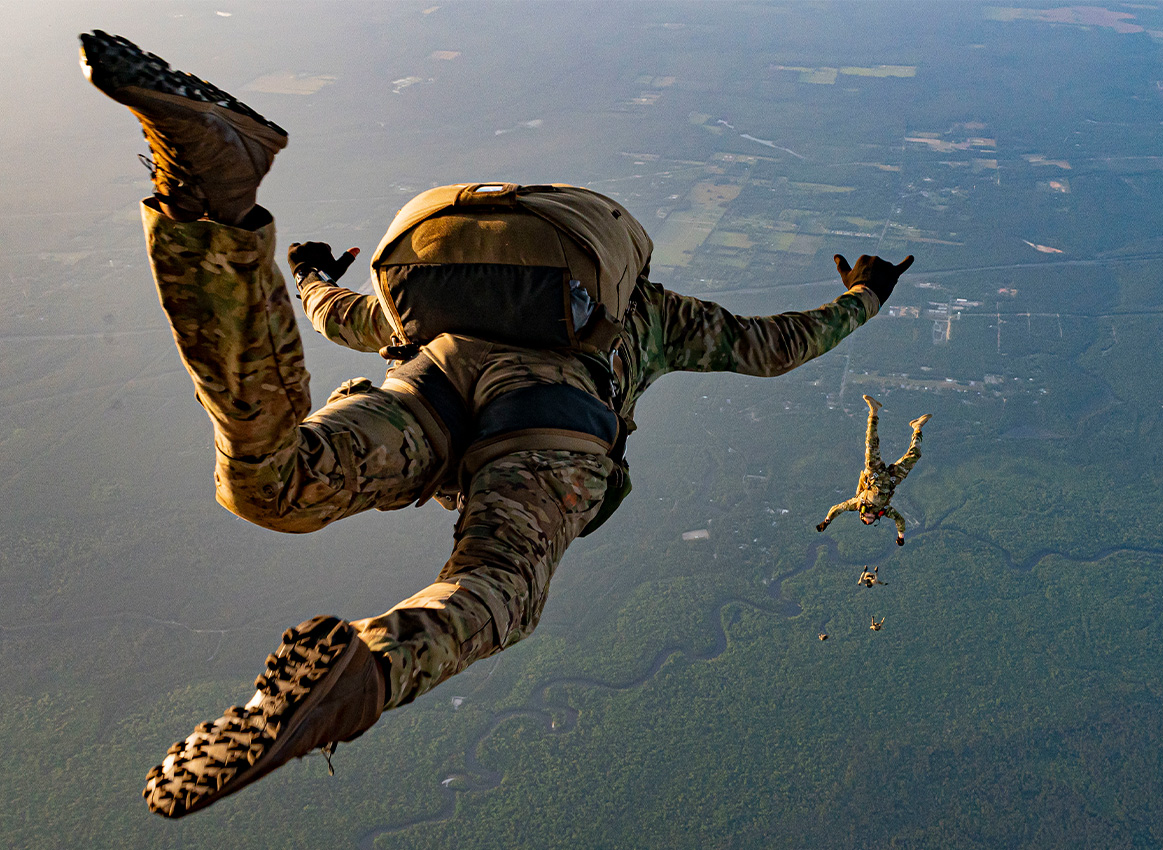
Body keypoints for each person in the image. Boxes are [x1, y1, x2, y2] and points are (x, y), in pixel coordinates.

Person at [79, 30, 914, 818]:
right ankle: (361, 678)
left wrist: (299, 274)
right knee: (495, 590)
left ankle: (211, 212)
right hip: (553, 421)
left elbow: (343, 319)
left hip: (432, 379)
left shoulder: (439, 306)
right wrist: (864, 296)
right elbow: (775, 348)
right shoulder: (650, 315)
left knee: (272, 482)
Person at [815, 394, 930, 545]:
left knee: (871, 443)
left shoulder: (857, 503)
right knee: (914, 455)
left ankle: (873, 412)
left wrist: (827, 521)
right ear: (876, 517)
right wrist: (900, 536)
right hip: (891, 479)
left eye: (866, 517)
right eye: (872, 518)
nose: (869, 515)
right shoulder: (884, 510)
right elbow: (900, 520)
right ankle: (917, 428)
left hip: (874, 474)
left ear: (861, 515)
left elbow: (838, 508)